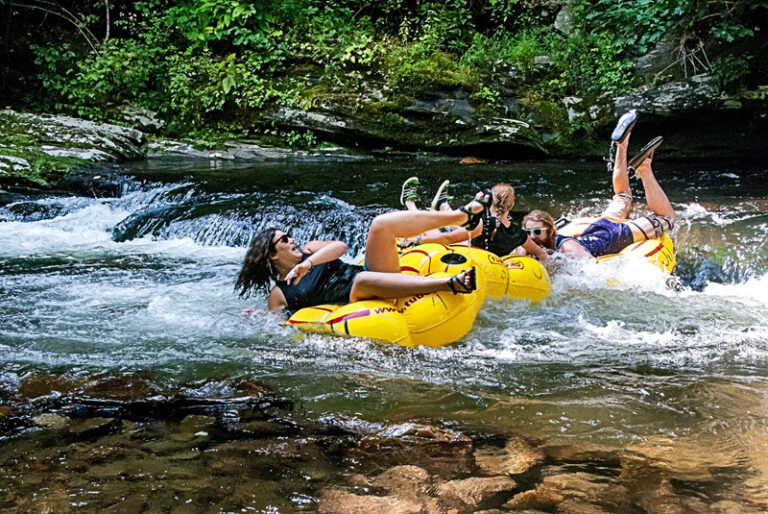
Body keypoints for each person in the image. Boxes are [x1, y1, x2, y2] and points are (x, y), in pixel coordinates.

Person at [235, 192, 491, 317]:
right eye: (284, 239)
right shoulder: (279, 294)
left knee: (381, 224)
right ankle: (449, 283)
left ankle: (460, 216)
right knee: (361, 282)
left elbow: (340, 247)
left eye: (288, 235)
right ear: (271, 255)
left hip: (370, 271)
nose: (291, 240)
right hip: (353, 296)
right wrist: (255, 319)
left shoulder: (309, 249)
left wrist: (309, 263)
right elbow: (278, 325)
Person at [522, 110, 675, 259]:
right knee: (622, 196)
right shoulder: (530, 245)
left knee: (667, 218)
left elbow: (592, 267)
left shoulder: (567, 248)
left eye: (536, 232)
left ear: (550, 231)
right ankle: (622, 144)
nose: (532, 237)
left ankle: (644, 169)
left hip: (616, 235)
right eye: (528, 233)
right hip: (597, 229)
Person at [398, 179, 549, 263]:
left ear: (488, 202)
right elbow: (543, 255)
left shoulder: (484, 224)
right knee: (463, 228)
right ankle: (443, 206)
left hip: (471, 260)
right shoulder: (519, 234)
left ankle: (410, 203)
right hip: (490, 265)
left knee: (436, 226)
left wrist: (416, 240)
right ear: (512, 205)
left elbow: (446, 238)